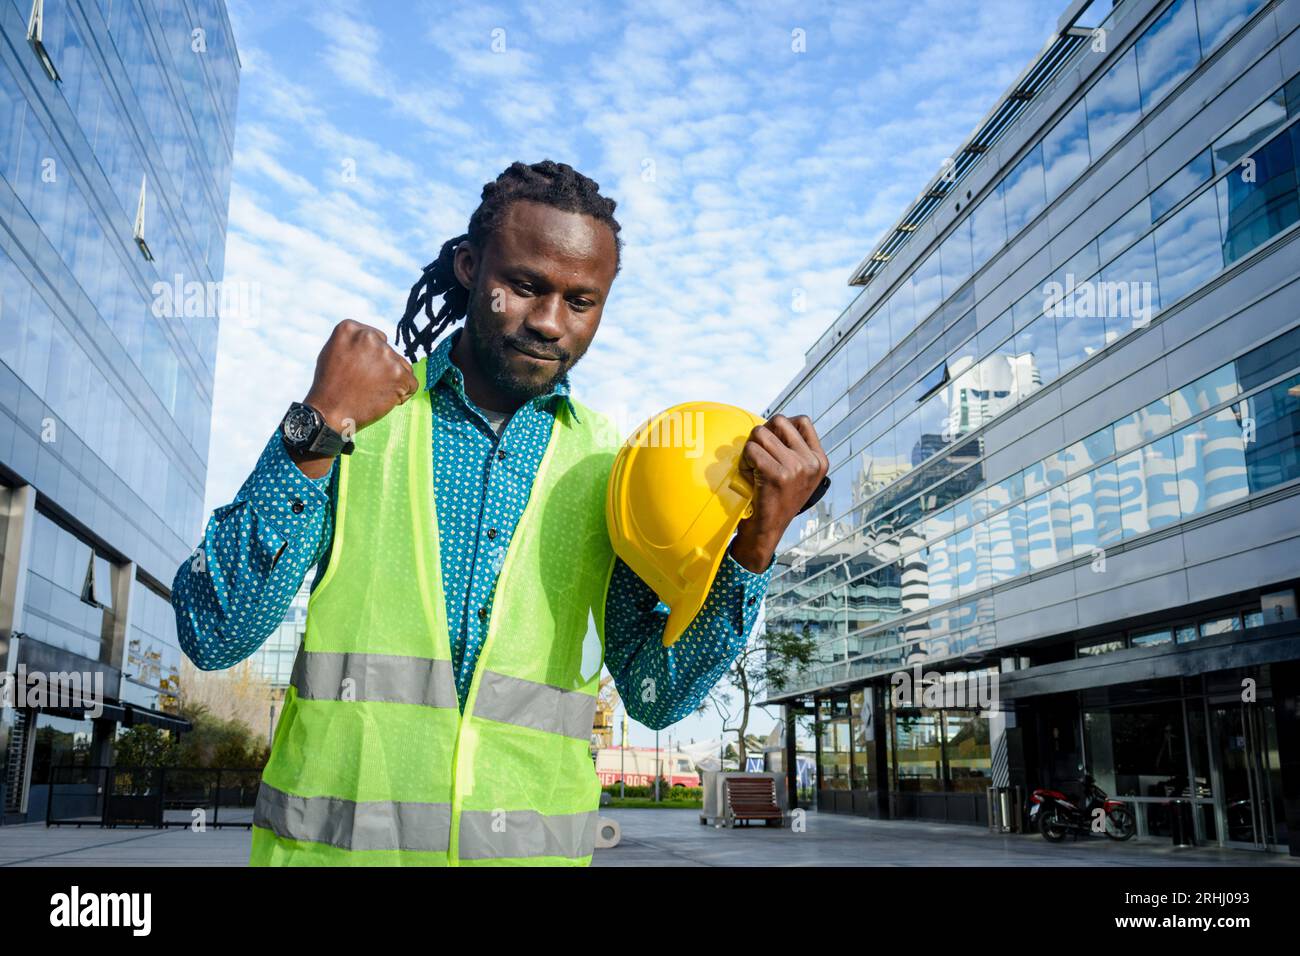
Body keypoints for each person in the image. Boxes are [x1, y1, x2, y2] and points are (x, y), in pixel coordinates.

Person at [171, 159, 829, 865]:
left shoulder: (614, 469)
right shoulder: (356, 422)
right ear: (468, 267)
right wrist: (317, 422)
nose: (549, 322)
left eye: (581, 302)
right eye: (523, 286)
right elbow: (214, 633)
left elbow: (656, 694)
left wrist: (756, 547)